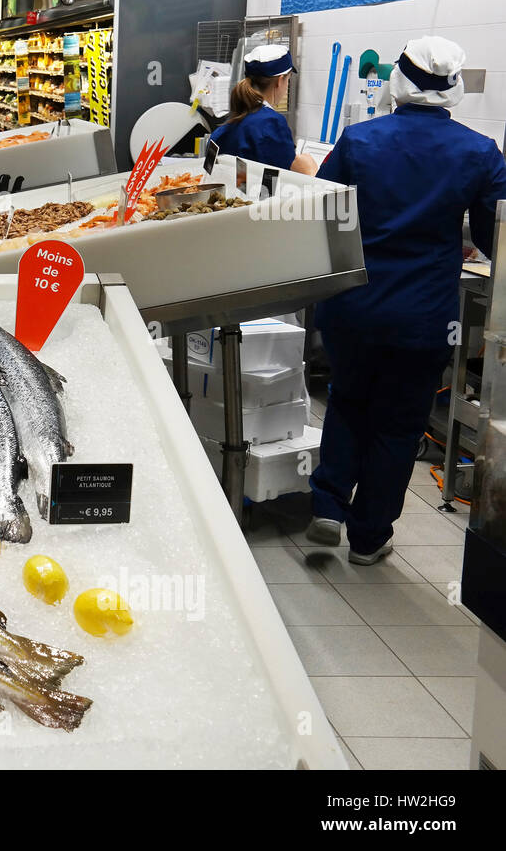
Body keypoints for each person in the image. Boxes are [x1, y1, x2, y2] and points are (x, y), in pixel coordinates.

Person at [305, 35, 506, 564]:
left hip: (354, 305)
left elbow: (320, 215)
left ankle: (327, 505)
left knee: (347, 400)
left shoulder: (359, 140)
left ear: (398, 79)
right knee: (397, 424)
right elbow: (495, 240)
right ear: (455, 89)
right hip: (423, 317)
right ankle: (369, 538)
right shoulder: (480, 153)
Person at [209, 45, 318, 175]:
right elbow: (271, 188)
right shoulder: (271, 123)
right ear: (280, 80)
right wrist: (310, 173)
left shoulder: (224, 128)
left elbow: (234, 179)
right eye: (288, 80)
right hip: (257, 195)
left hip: (228, 194)